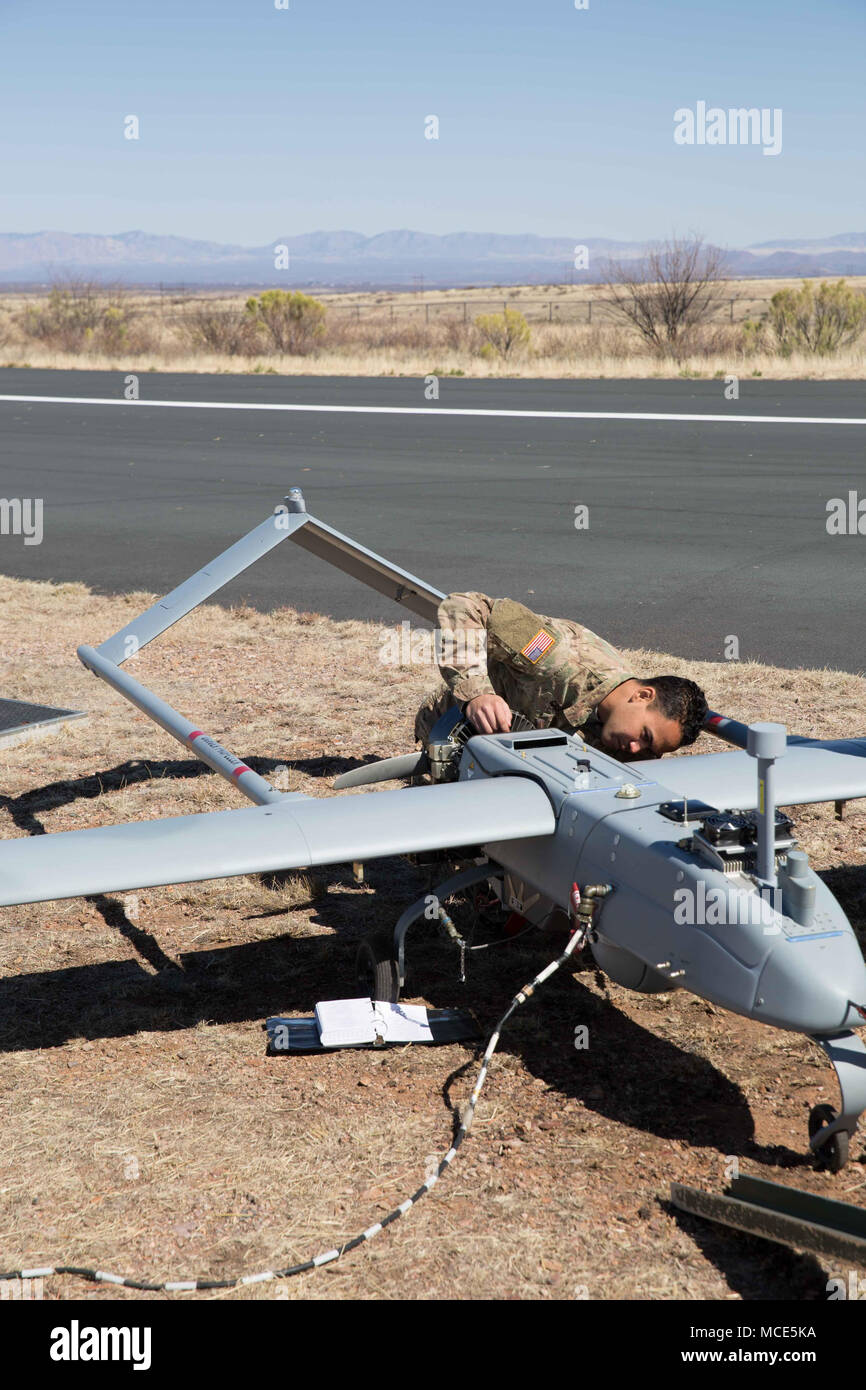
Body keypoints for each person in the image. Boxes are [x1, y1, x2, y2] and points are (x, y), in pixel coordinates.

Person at [414, 591, 707, 760]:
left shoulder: (624, 731)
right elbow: (464, 606)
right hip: (452, 730)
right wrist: (477, 693)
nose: (635, 749)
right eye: (644, 736)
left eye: (649, 748)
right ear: (643, 695)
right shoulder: (556, 655)